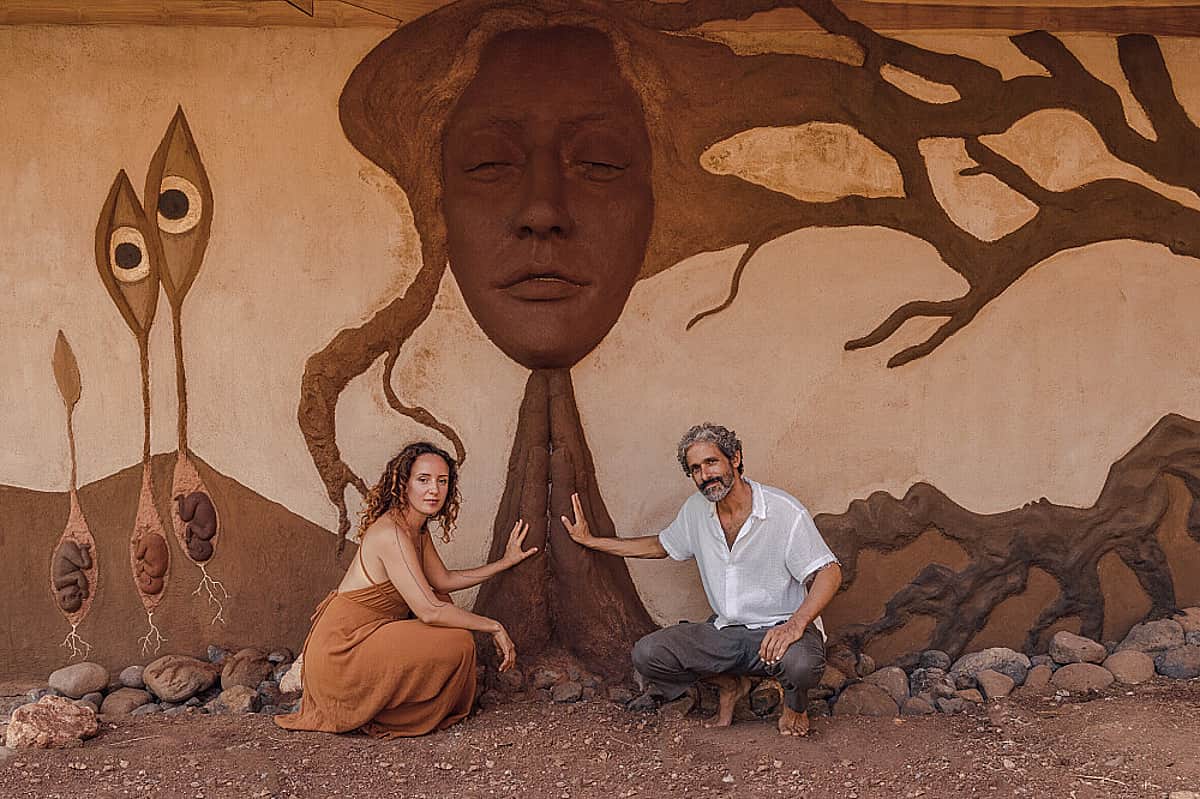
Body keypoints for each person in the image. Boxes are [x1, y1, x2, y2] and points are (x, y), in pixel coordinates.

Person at [562, 423, 843, 737]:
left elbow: (829, 571)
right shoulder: (697, 510)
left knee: (802, 665)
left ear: (735, 458)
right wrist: (592, 541)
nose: (705, 475)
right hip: (725, 634)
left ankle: (795, 705)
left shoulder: (783, 510)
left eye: (711, 462)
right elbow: (660, 546)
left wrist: (794, 625)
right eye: (695, 468)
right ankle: (730, 685)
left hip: (779, 631)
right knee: (648, 654)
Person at [275, 442, 536, 737]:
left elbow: (443, 580)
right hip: (343, 651)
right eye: (423, 480)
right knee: (458, 640)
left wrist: (504, 562)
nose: (434, 490)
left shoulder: (416, 528)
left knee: (443, 602)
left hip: (371, 634)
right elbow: (429, 611)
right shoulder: (392, 534)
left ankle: (386, 702)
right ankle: (372, 708)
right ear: (404, 484)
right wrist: (493, 626)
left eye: (442, 481)